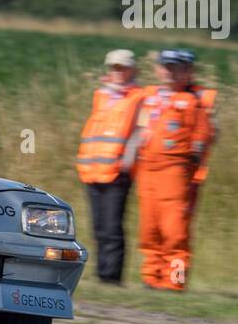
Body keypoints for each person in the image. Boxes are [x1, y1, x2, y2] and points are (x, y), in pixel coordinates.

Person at [128, 49, 215, 291]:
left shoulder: (194, 101)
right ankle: (151, 278)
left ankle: (173, 281)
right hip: (147, 168)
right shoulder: (151, 96)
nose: (170, 72)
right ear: (158, 69)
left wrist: (192, 172)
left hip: (175, 169)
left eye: (176, 67)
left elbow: (204, 137)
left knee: (174, 229)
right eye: (166, 67)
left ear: (188, 71)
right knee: (149, 227)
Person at [76, 49, 147, 284]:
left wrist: (131, 155)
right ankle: (101, 274)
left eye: (122, 68)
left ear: (133, 70)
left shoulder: (139, 96)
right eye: (114, 68)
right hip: (93, 169)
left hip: (118, 171)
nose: (117, 72)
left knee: (112, 228)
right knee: (98, 228)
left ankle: (111, 277)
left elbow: (141, 129)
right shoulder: (101, 95)